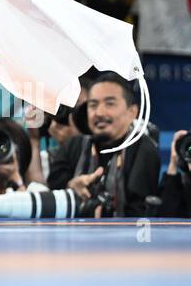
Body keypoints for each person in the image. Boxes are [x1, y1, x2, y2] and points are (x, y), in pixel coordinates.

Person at [45, 74, 159, 217]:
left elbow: (138, 211)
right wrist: (71, 189)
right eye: (93, 105)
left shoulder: (144, 149)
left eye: (109, 104)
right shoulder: (74, 145)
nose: (99, 113)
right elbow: (51, 198)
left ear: (132, 112)